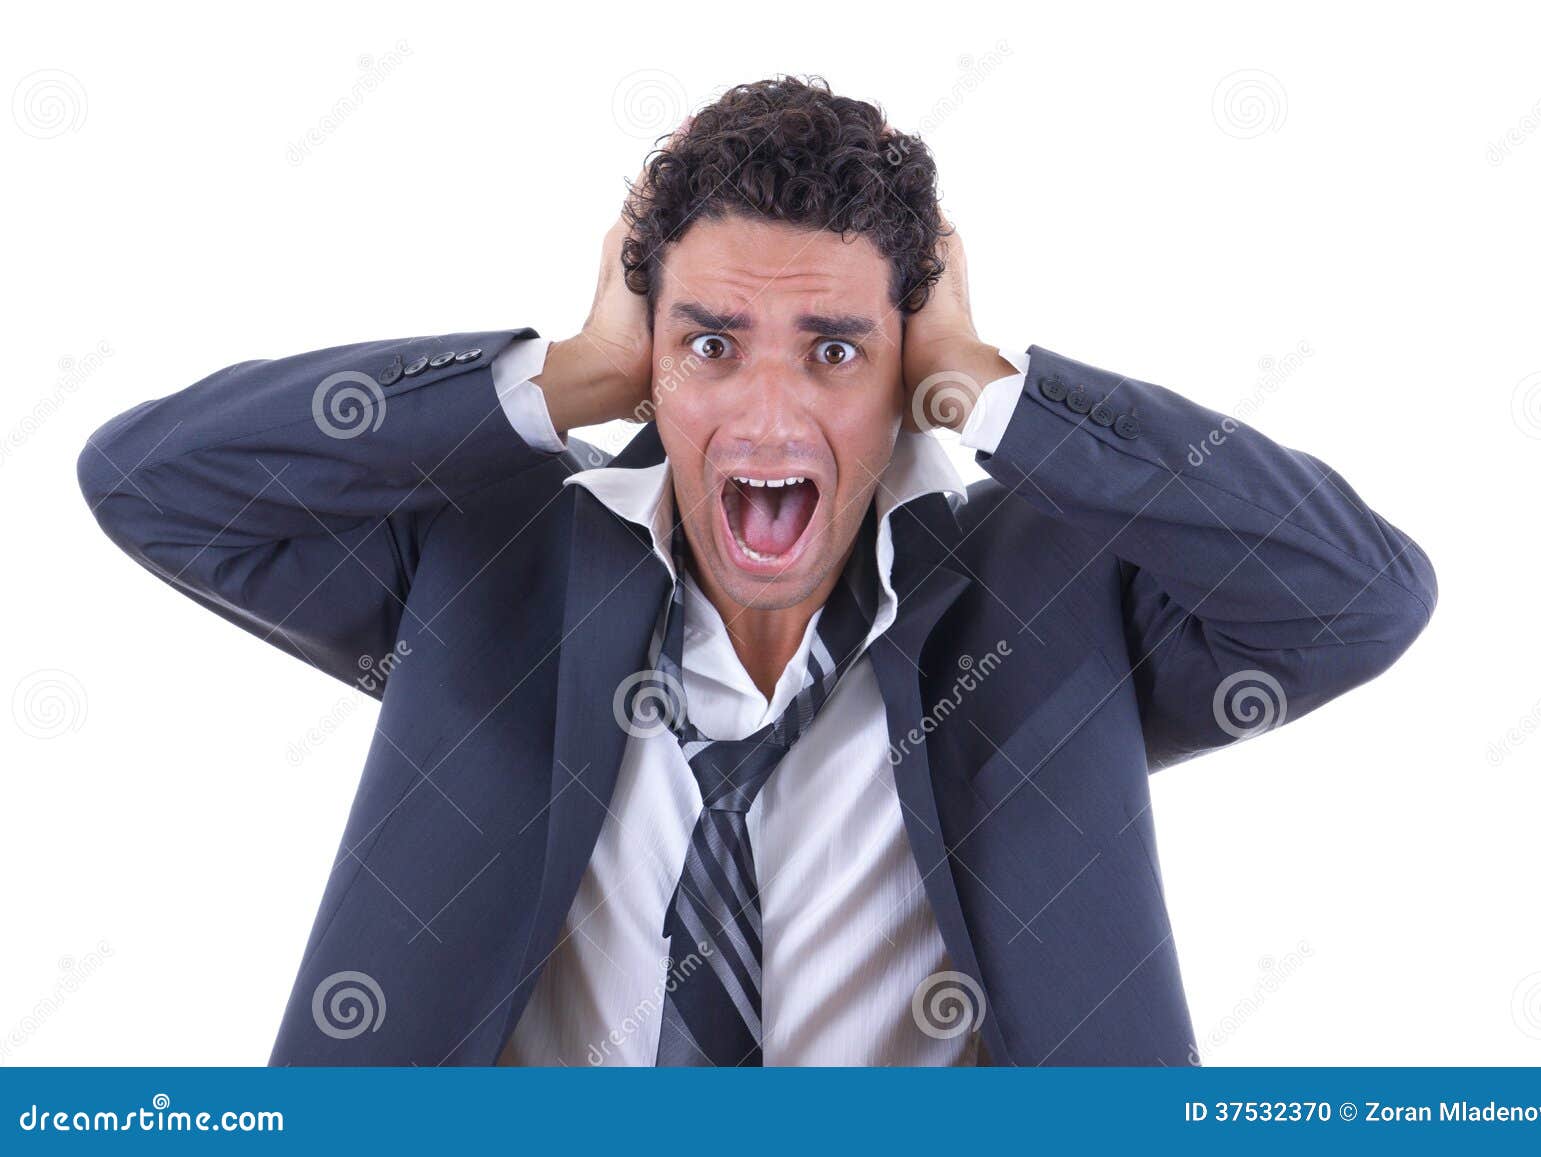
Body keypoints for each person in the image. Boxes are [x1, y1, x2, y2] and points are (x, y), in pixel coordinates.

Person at [76, 76, 1436, 1066]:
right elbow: (155, 485)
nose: (772, 418)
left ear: (909, 359)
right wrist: (565, 375)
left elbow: (1354, 594)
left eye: (836, 350)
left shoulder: (1052, 596)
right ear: (648, 347)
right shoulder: (487, 564)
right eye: (711, 343)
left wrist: (998, 392)